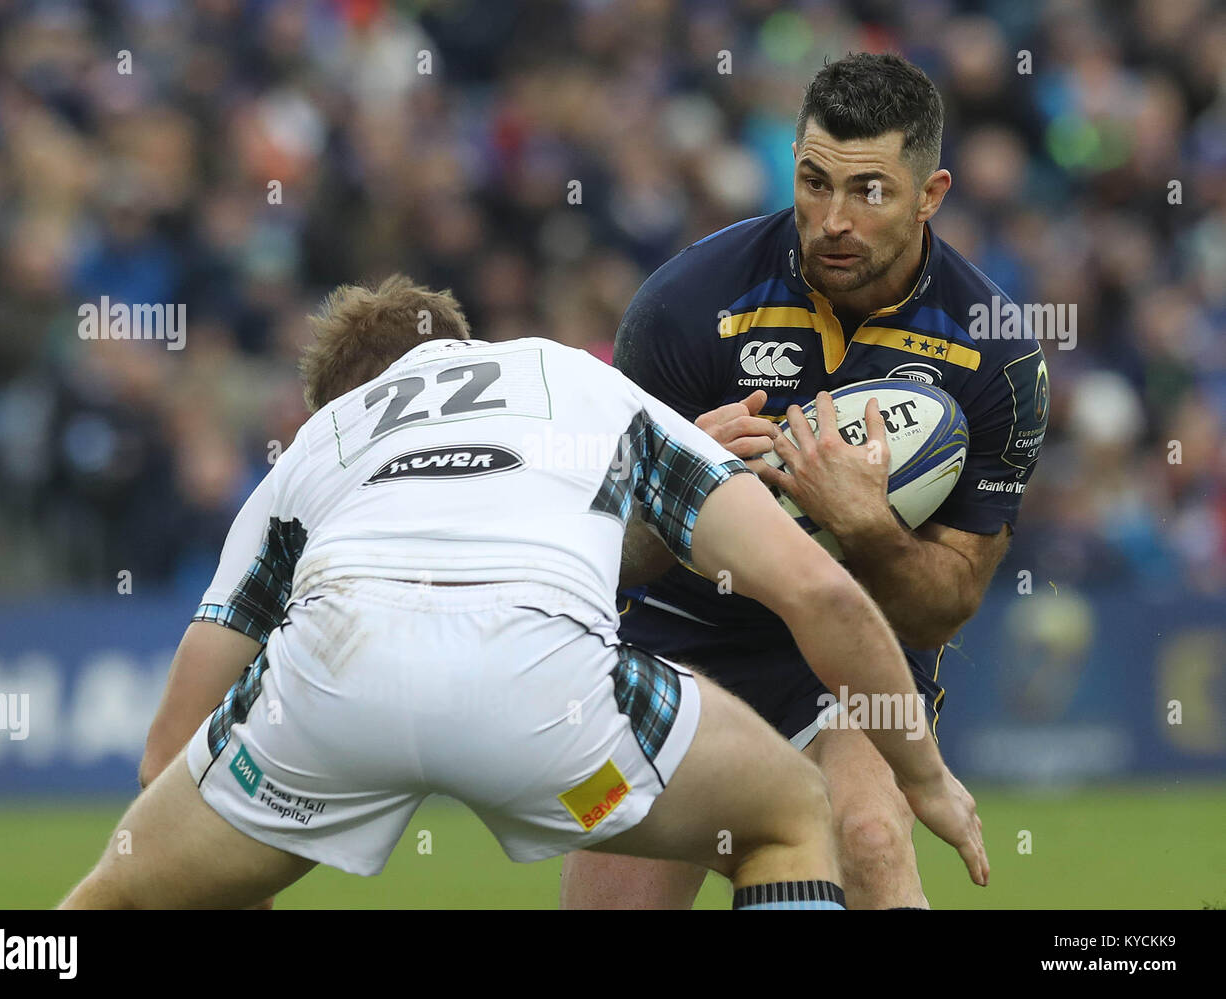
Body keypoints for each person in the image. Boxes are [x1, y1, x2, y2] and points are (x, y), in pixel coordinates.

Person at [61, 275, 987, 910]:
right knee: (790, 814)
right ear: (469, 353)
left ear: (339, 399)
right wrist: (925, 777)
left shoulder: (316, 446)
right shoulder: (569, 377)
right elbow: (822, 592)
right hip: (548, 699)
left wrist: (230, 859)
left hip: (332, 685)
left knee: (114, 893)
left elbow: (167, 748)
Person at [562, 52, 1047, 910]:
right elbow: (602, 556)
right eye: (814, 182)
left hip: (863, 650)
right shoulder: (681, 306)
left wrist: (867, 528)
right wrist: (680, 489)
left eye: (870, 193)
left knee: (866, 837)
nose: (833, 219)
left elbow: (944, 606)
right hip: (681, 635)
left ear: (931, 195)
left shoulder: (995, 353)